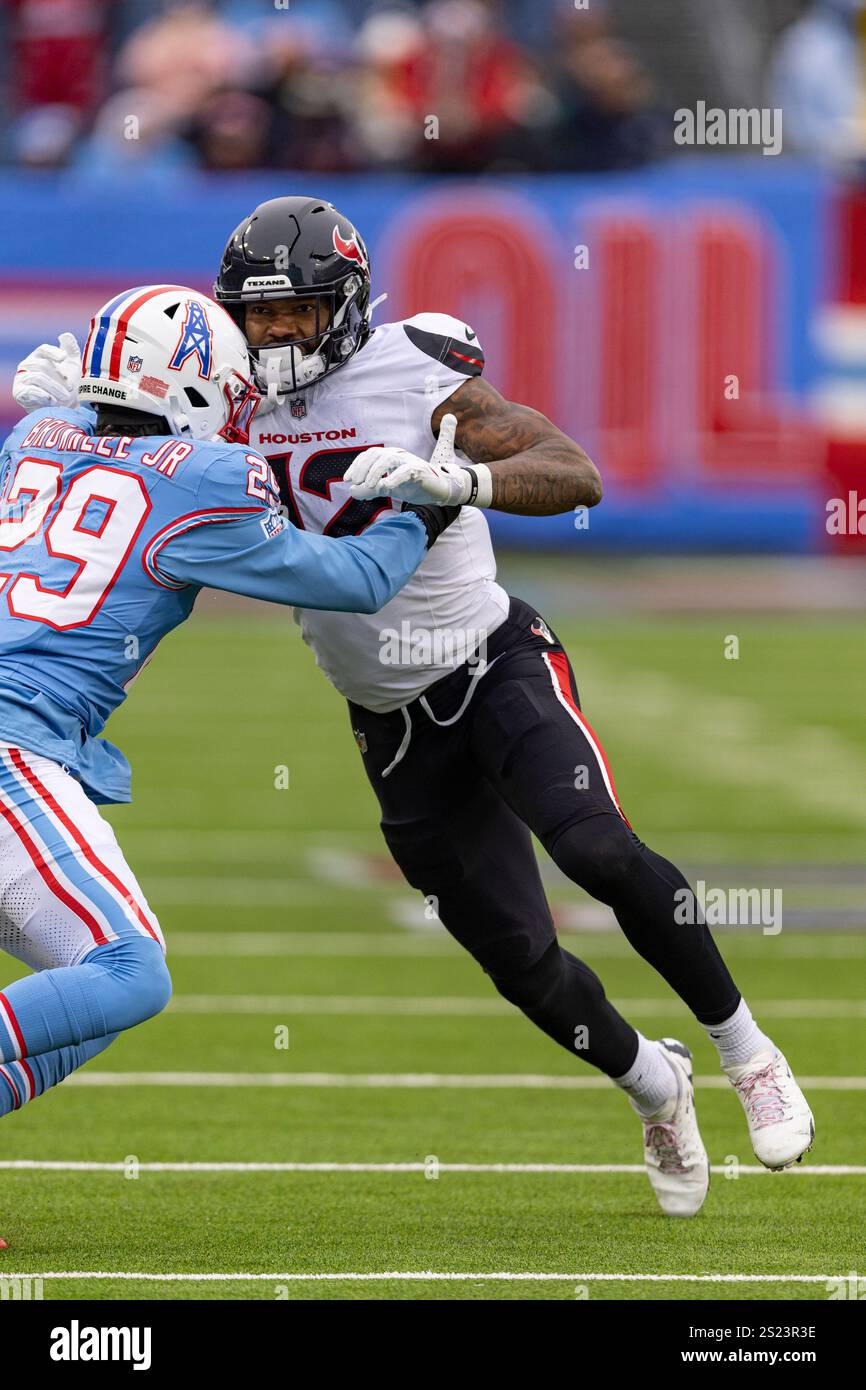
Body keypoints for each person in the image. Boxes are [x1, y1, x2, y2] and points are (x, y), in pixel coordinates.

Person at [15, 199, 815, 1218]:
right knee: (518, 960)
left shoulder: (412, 367)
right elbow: (142, 446)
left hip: (489, 660)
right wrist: (78, 411)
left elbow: (575, 470)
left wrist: (462, 477)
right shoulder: (226, 398)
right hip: (382, 710)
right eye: (257, 318)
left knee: (597, 850)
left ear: (344, 306)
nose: (276, 337)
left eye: (298, 313)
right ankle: (654, 1086)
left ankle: (746, 1051)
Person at [0, 283, 451, 1165]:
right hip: (11, 746)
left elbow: (90, 457)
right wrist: (428, 509)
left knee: (87, 994)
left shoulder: (27, 440)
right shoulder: (203, 479)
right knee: (127, 976)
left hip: (30, 741)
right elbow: (355, 580)